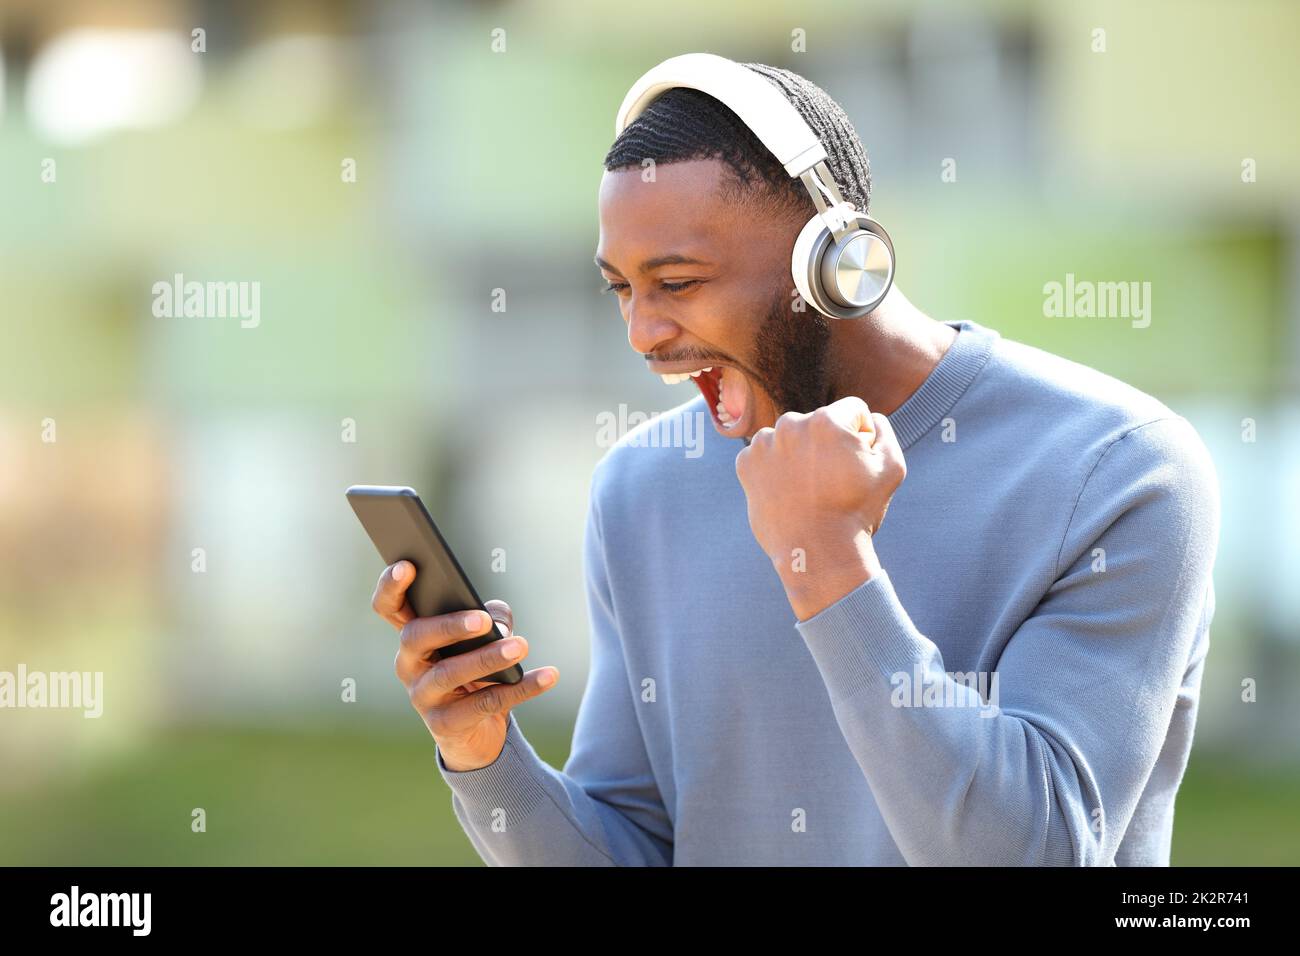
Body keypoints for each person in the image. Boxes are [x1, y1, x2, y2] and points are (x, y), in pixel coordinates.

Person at [369, 55, 1220, 865]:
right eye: (622, 288)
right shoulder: (642, 488)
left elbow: (1035, 853)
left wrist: (831, 565)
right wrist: (484, 758)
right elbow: (638, 845)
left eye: (678, 282)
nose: (642, 334)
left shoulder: (1118, 470)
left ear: (838, 265)